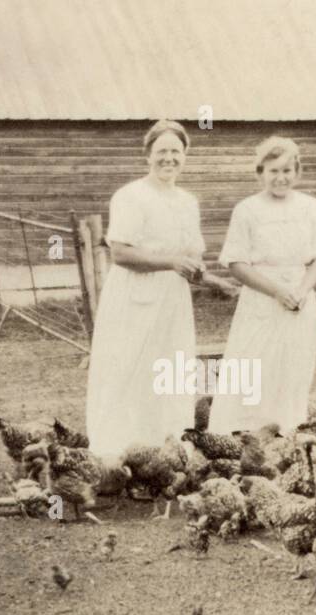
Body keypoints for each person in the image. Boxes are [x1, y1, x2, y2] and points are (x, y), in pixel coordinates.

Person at [85, 120, 205, 459]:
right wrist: (171, 263)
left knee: (170, 369)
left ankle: (164, 450)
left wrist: (200, 271)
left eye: (176, 152)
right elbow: (120, 252)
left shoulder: (187, 201)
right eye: (162, 151)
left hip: (173, 299)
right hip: (133, 297)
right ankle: (118, 452)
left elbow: (191, 253)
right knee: (129, 370)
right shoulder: (130, 196)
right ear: (147, 156)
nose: (169, 158)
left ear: (185, 156)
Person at [208, 137, 316, 434]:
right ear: (260, 173)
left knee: (293, 368)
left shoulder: (310, 207)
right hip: (261, 300)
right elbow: (236, 264)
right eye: (273, 171)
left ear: (297, 172)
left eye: (287, 170)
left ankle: (286, 433)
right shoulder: (247, 209)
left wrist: (302, 289)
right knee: (253, 368)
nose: (281, 178)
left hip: (300, 299)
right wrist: (276, 291)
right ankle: (240, 435)